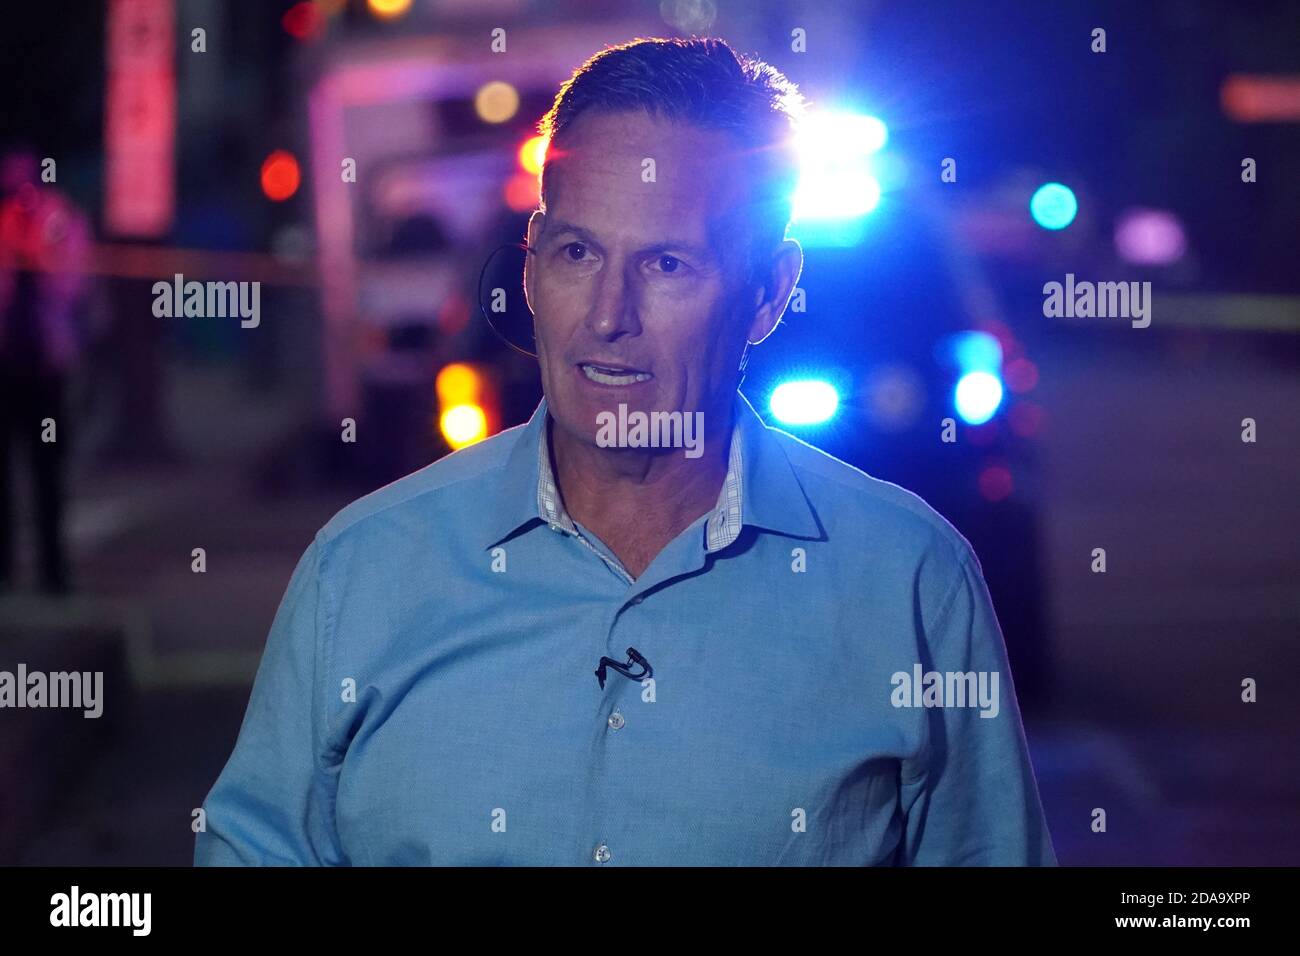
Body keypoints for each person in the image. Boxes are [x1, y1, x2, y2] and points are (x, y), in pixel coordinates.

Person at [196, 37, 1056, 866]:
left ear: (769, 295)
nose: (609, 316)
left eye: (669, 264)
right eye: (578, 253)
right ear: (531, 271)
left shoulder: (907, 581)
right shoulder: (362, 573)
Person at [0, 149, 91, 596]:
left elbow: (72, 283)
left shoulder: (60, 220)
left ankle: (53, 571)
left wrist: (33, 250)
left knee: (47, 473)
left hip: (46, 367)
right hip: (6, 367)